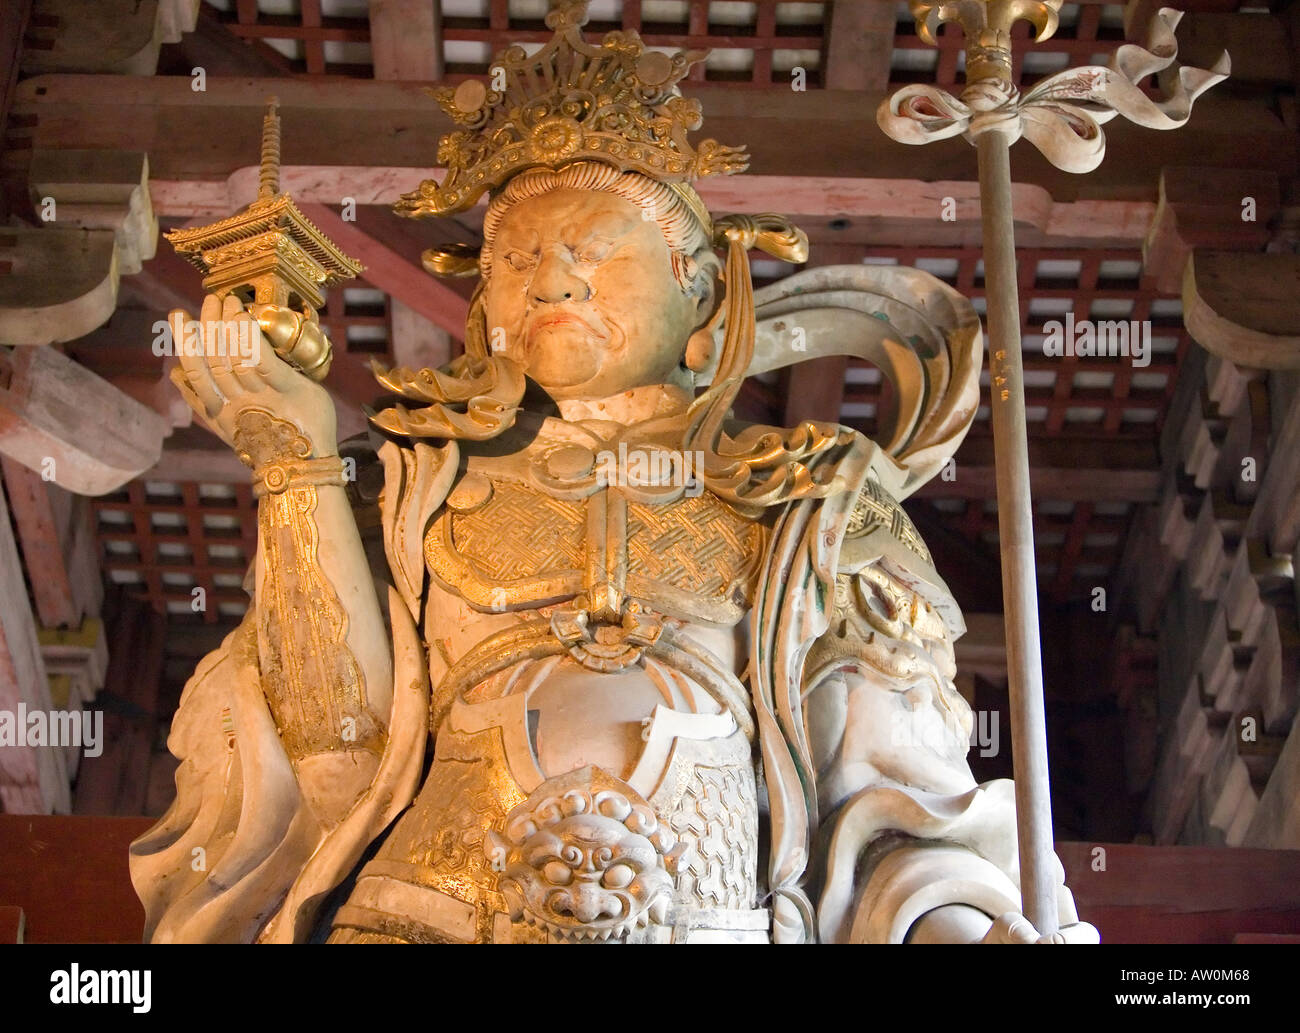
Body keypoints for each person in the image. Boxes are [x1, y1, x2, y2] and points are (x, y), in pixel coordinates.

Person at [130, 0, 1095, 945]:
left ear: (704, 295)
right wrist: (295, 466)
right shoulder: (405, 492)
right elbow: (339, 764)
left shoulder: (815, 504)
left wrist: (966, 923)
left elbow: (897, 806)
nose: (552, 278)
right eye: (514, 257)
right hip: (421, 915)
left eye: (594, 250)